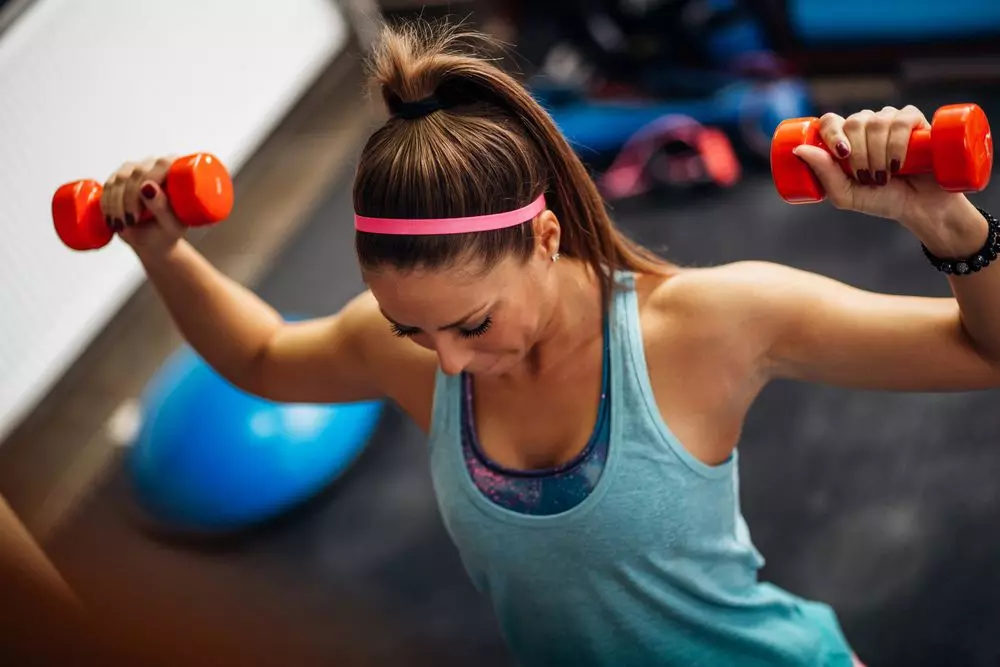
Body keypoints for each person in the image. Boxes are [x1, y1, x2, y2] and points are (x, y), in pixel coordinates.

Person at [96, 19, 999, 667]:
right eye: (415, 328)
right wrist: (156, 246)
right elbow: (258, 359)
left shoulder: (708, 323)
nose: (442, 361)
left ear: (545, 237)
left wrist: (950, 226)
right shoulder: (413, 350)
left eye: (472, 322)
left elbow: (984, 354)